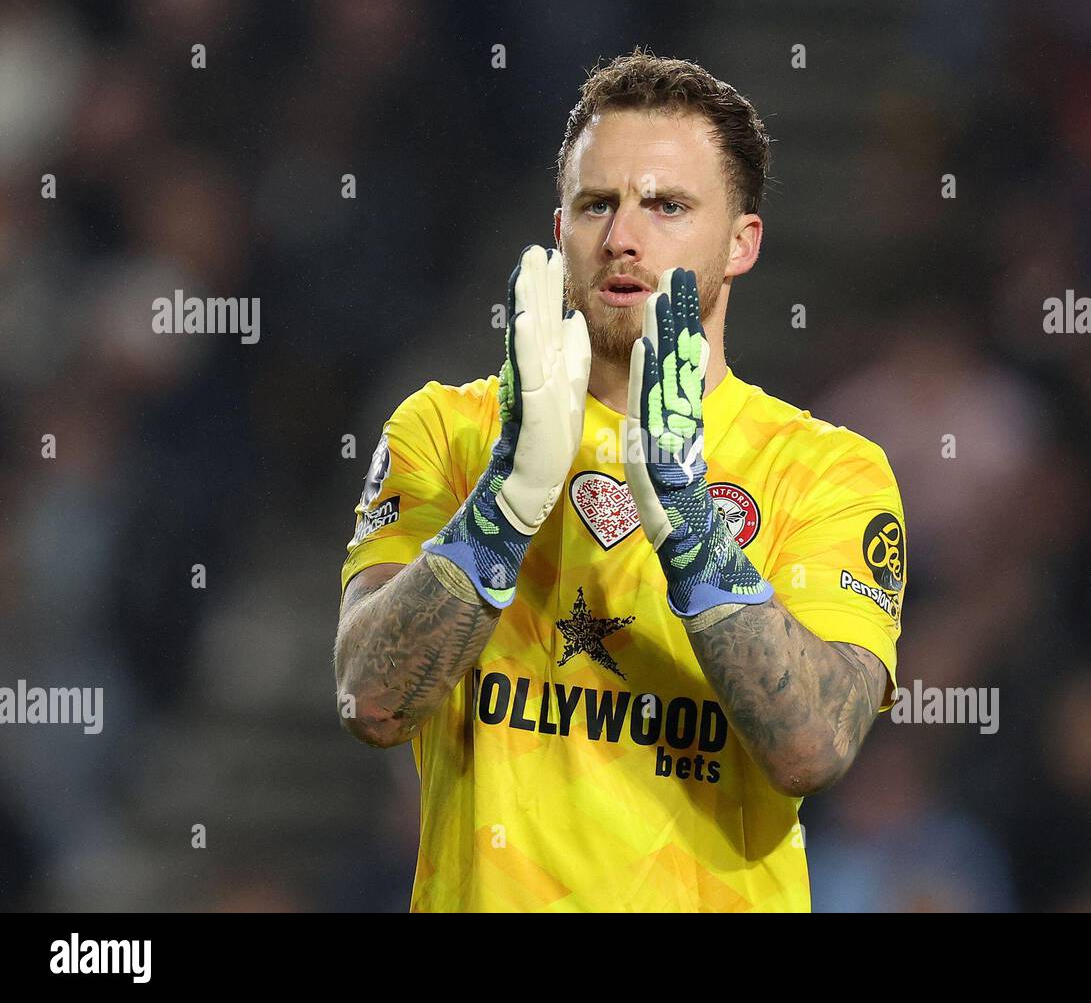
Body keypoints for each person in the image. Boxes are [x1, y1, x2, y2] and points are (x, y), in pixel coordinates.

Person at [333, 49, 907, 912]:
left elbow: (812, 747)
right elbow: (371, 702)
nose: (622, 239)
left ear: (742, 242)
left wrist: (689, 518)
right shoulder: (449, 432)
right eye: (596, 203)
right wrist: (505, 503)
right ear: (559, 226)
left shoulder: (828, 470)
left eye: (667, 206)